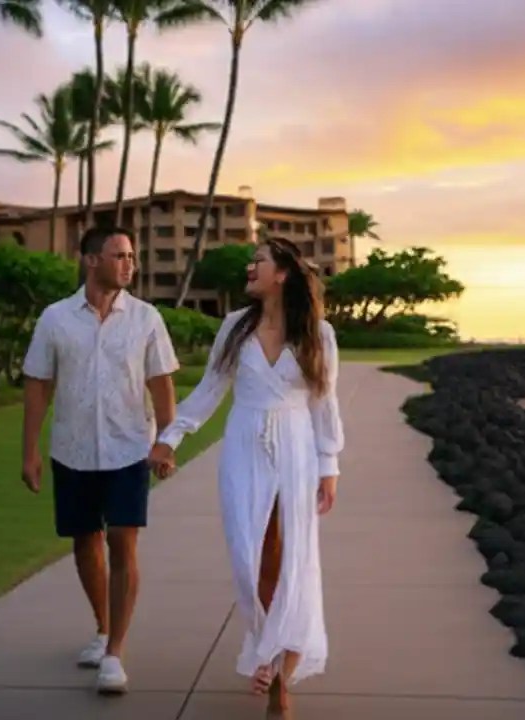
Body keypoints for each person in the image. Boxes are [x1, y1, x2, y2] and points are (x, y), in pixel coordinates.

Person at [148, 236, 344, 716]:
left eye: (258, 261)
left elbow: (324, 402)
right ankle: (264, 639)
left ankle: (280, 669)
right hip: (244, 446)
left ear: (283, 274)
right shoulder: (235, 326)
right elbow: (210, 388)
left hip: (296, 446)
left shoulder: (317, 333)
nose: (249, 268)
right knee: (248, 556)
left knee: (291, 555)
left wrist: (329, 464)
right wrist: (171, 437)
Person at [20, 227, 180, 695]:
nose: (130, 264)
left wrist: (166, 442)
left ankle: (114, 654)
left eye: (132, 255)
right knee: (85, 542)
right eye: (119, 255)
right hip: (72, 450)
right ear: (91, 260)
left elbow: (161, 384)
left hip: (129, 448)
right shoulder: (55, 318)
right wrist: (29, 451)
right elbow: (38, 385)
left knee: (122, 541)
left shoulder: (146, 318)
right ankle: (103, 628)